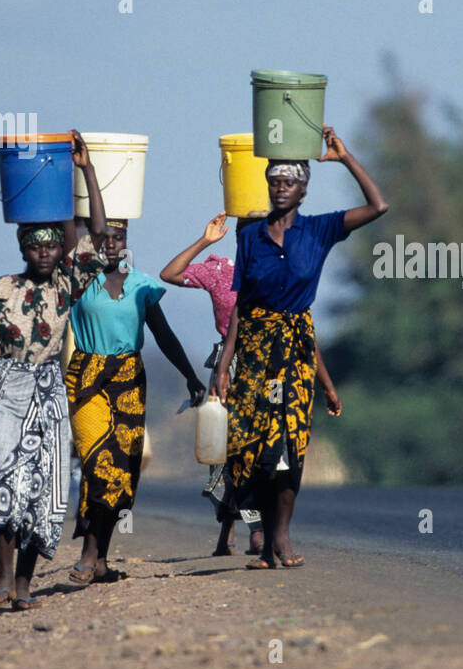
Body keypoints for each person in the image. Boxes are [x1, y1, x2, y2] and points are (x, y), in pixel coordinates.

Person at [214, 125, 387, 569]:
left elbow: (378, 205)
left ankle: (282, 538)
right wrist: (223, 365)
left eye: (289, 182)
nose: (280, 189)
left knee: (291, 446)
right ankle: (265, 541)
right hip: (254, 355)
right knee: (252, 450)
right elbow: (241, 306)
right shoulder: (249, 235)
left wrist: (344, 157)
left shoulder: (320, 230)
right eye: (274, 182)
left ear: (304, 188)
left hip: (294, 356)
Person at [0, 131, 106, 611]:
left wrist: (82, 171)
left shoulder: (66, 285)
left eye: (51, 246)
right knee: (6, 479)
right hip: (6, 388)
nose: (45, 252)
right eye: (35, 246)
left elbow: (98, 236)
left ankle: (24, 587)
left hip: (49, 389)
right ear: (24, 248)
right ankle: (4, 580)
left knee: (46, 489)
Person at [161, 213, 343, 556]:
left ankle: (266, 532)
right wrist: (204, 241)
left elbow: (305, 332)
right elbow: (169, 274)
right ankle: (248, 529)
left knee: (275, 453)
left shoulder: (286, 275)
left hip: (278, 375)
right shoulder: (221, 273)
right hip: (233, 375)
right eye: (249, 236)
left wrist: (326, 384)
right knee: (234, 456)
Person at [65, 219, 205, 585]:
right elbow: (72, 229)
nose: (112, 244)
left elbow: (164, 335)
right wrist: (86, 170)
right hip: (86, 379)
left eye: (119, 237)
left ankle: (101, 558)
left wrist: (190, 376)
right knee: (99, 464)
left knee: (124, 469)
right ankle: (87, 555)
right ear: (92, 241)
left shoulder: (141, 285)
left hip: (128, 380)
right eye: (104, 238)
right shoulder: (79, 280)